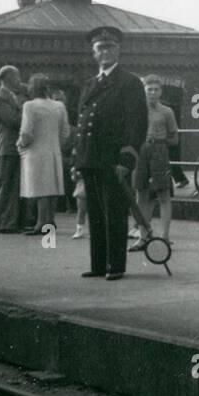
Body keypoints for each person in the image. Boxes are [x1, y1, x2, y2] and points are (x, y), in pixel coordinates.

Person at [75, 25, 148, 280]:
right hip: (91, 158)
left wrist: (127, 159)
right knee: (95, 212)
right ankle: (98, 264)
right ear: (93, 52)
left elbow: (136, 123)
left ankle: (115, 265)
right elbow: (82, 123)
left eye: (110, 47)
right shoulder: (89, 84)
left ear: (119, 50)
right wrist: (78, 159)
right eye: (100, 48)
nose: (105, 52)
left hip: (113, 159)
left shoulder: (130, 83)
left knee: (115, 212)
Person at [17, 74, 71, 236]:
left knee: (39, 189)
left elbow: (27, 131)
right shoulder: (59, 106)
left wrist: (20, 143)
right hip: (53, 150)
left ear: (32, 88)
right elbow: (65, 131)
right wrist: (57, 144)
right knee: (51, 187)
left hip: (35, 152)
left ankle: (40, 223)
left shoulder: (29, 106)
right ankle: (49, 221)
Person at [131, 75, 178, 251]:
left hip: (159, 151)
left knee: (163, 194)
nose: (152, 93)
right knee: (140, 193)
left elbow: (175, 138)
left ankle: (165, 237)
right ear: (144, 91)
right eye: (149, 89)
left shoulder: (167, 111)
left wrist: (161, 140)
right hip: (141, 151)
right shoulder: (136, 110)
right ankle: (142, 236)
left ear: (161, 92)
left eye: (156, 89)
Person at [0, 65, 28, 233]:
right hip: (6, 146)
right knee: (7, 185)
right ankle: (5, 223)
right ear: (9, 78)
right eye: (17, 77)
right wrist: (25, 108)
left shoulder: (11, 96)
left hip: (13, 147)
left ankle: (16, 221)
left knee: (15, 185)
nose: (19, 80)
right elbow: (13, 120)